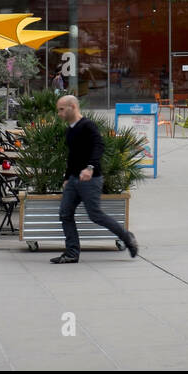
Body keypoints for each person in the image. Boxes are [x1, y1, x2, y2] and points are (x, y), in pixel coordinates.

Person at [50, 95, 139, 263]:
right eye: (58, 110)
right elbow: (72, 156)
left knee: (95, 215)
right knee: (65, 213)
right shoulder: (70, 130)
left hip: (90, 179)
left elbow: (99, 146)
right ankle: (72, 253)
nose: (59, 113)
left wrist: (90, 167)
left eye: (62, 109)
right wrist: (67, 177)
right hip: (74, 179)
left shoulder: (88, 126)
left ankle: (127, 237)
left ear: (73, 107)